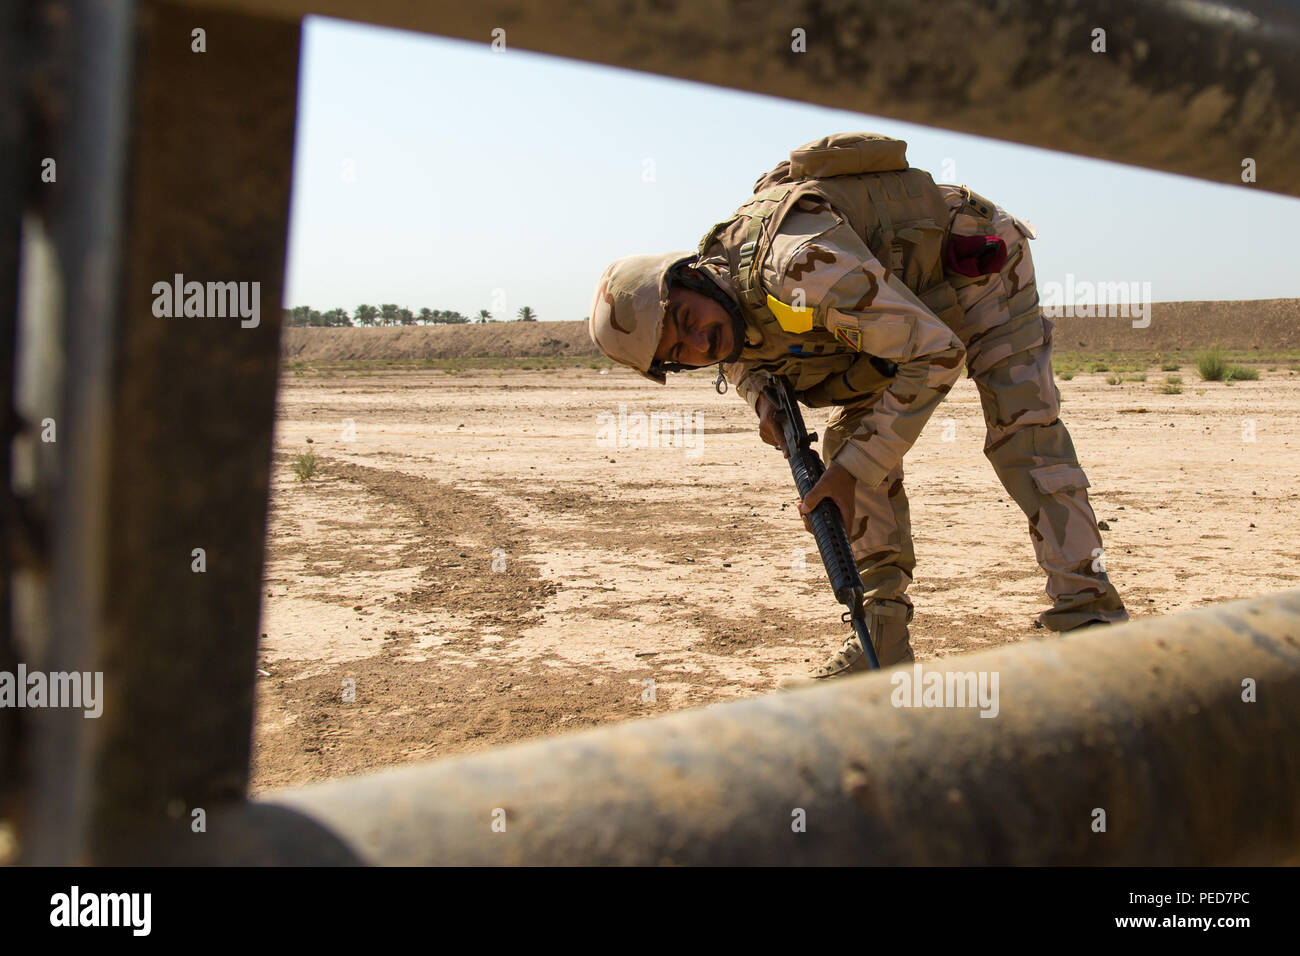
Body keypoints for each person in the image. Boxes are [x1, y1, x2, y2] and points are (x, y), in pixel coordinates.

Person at [588, 133, 1127, 681]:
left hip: (975, 266)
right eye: (680, 356)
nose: (700, 345)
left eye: (685, 323)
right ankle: (882, 639)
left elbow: (937, 352)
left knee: (1024, 435)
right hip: (893, 313)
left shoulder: (800, 266)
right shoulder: (725, 306)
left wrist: (849, 474)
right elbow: (741, 357)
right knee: (852, 450)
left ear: (692, 275)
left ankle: (1088, 614)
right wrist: (764, 405)